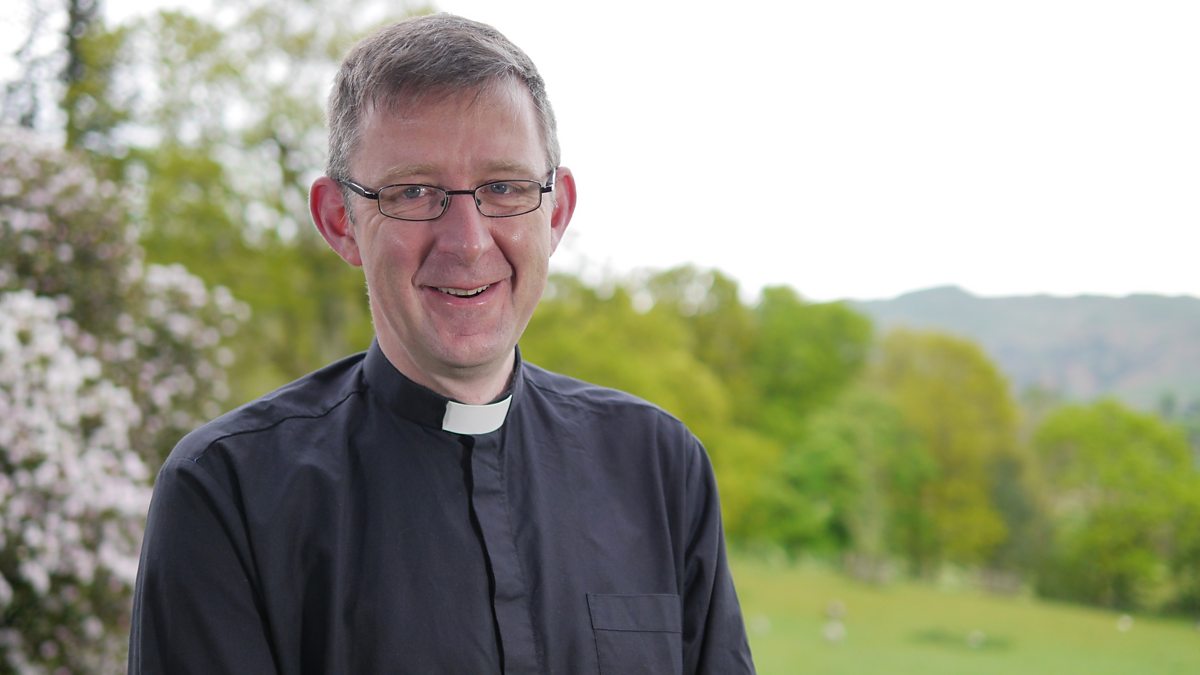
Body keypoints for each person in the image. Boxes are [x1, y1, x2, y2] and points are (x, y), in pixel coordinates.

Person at [129, 13, 755, 674]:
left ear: (557, 212)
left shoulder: (660, 467)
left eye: (506, 188)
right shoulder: (227, 494)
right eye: (414, 192)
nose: (467, 242)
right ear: (340, 220)